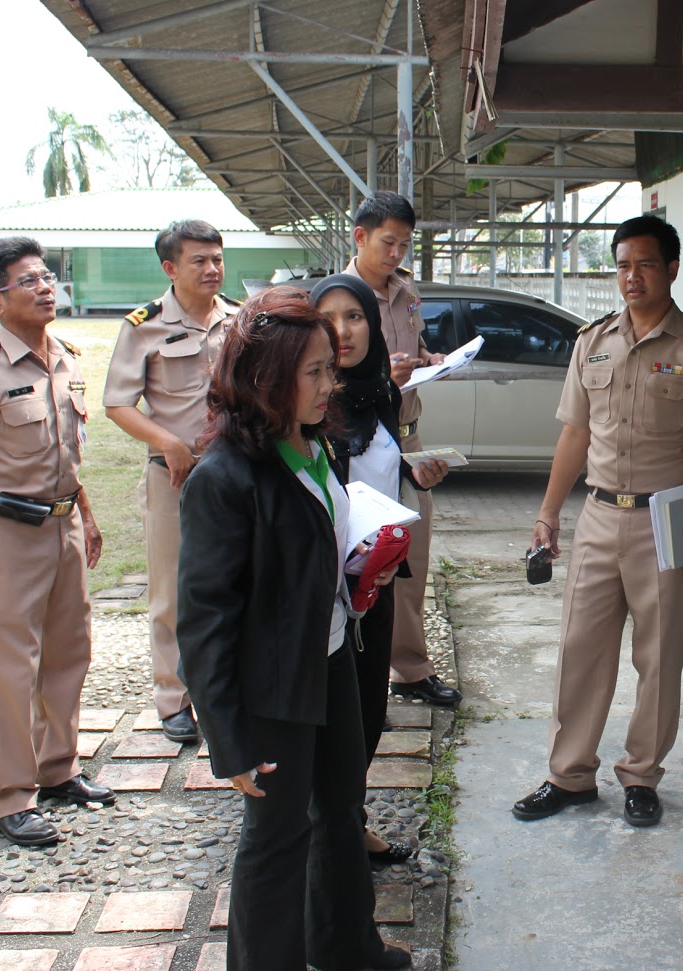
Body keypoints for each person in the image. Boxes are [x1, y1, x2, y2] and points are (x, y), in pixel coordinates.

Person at [177, 288, 410, 971]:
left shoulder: (313, 445)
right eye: (312, 371)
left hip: (329, 656)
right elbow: (205, 618)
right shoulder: (224, 478)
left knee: (339, 808)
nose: (327, 384)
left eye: (327, 370)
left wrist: (363, 562)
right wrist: (228, 738)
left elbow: (311, 552)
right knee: (275, 837)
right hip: (271, 685)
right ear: (263, 377)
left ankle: (345, 948)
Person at [512, 214, 683, 828]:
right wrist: (549, 512)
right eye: (621, 265)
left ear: (671, 269)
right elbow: (575, 433)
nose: (630, 277)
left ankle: (642, 775)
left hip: (665, 523)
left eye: (643, 264)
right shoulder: (592, 341)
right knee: (580, 649)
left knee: (659, 656)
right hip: (598, 515)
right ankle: (570, 775)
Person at [0, 236, 114, 847]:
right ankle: (9, 795)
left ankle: (57, 768)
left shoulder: (64, 355)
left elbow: (69, 453)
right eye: (28, 280)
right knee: (7, 669)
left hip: (61, 527)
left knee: (69, 651)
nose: (45, 287)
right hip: (5, 533)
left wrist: (85, 515)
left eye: (47, 276)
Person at [310, 274, 449, 865]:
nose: (343, 332)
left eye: (355, 317)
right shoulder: (307, 401)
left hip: (378, 578)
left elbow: (379, 467)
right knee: (326, 721)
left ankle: (351, 820)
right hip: (323, 590)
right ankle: (322, 835)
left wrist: (415, 473)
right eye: (330, 318)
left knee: (368, 712)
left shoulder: (382, 395)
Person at [103, 219, 238, 744]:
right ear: (170, 268)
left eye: (217, 258)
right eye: (199, 260)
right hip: (175, 479)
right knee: (174, 592)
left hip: (233, 475)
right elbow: (117, 403)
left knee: (233, 584)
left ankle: (222, 688)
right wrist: (167, 442)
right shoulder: (146, 326)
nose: (212, 269)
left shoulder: (239, 319)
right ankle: (173, 700)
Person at [343, 191, 461, 708]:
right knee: (356, 563)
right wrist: (380, 381)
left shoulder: (406, 293)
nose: (396, 254)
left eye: (404, 244)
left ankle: (409, 671)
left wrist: (429, 361)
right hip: (356, 444)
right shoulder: (334, 299)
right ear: (360, 237)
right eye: (388, 243)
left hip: (406, 440)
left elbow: (410, 353)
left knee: (410, 560)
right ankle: (352, 676)